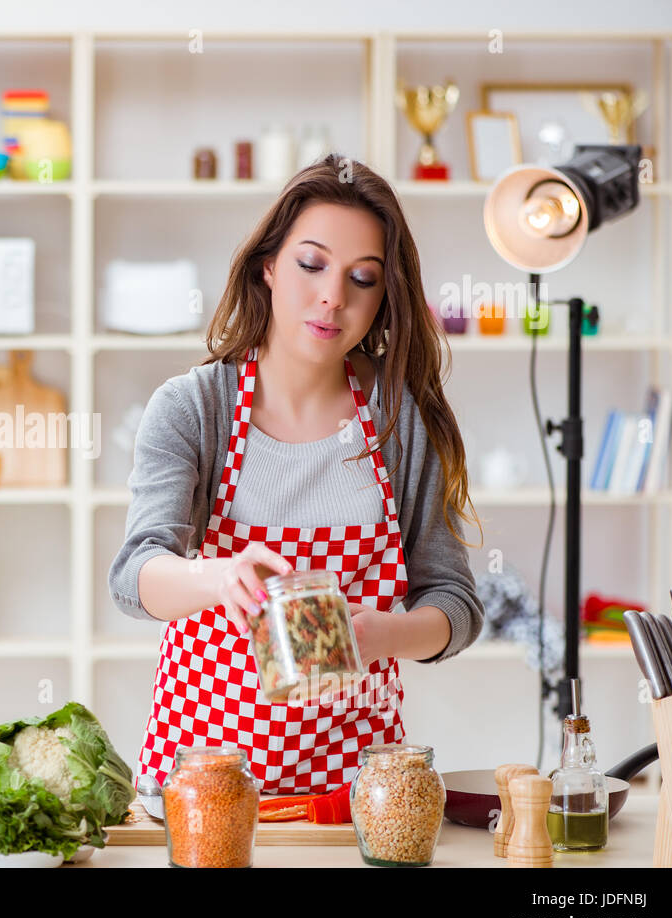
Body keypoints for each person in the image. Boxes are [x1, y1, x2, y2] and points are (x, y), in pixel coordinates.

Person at [108, 154, 485, 795]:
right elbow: (134, 576)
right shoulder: (194, 407)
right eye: (311, 265)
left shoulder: (399, 421)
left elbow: (455, 605)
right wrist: (219, 576)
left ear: (382, 300)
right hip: (207, 779)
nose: (332, 297)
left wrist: (378, 634)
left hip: (359, 788)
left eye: (361, 279)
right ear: (269, 267)